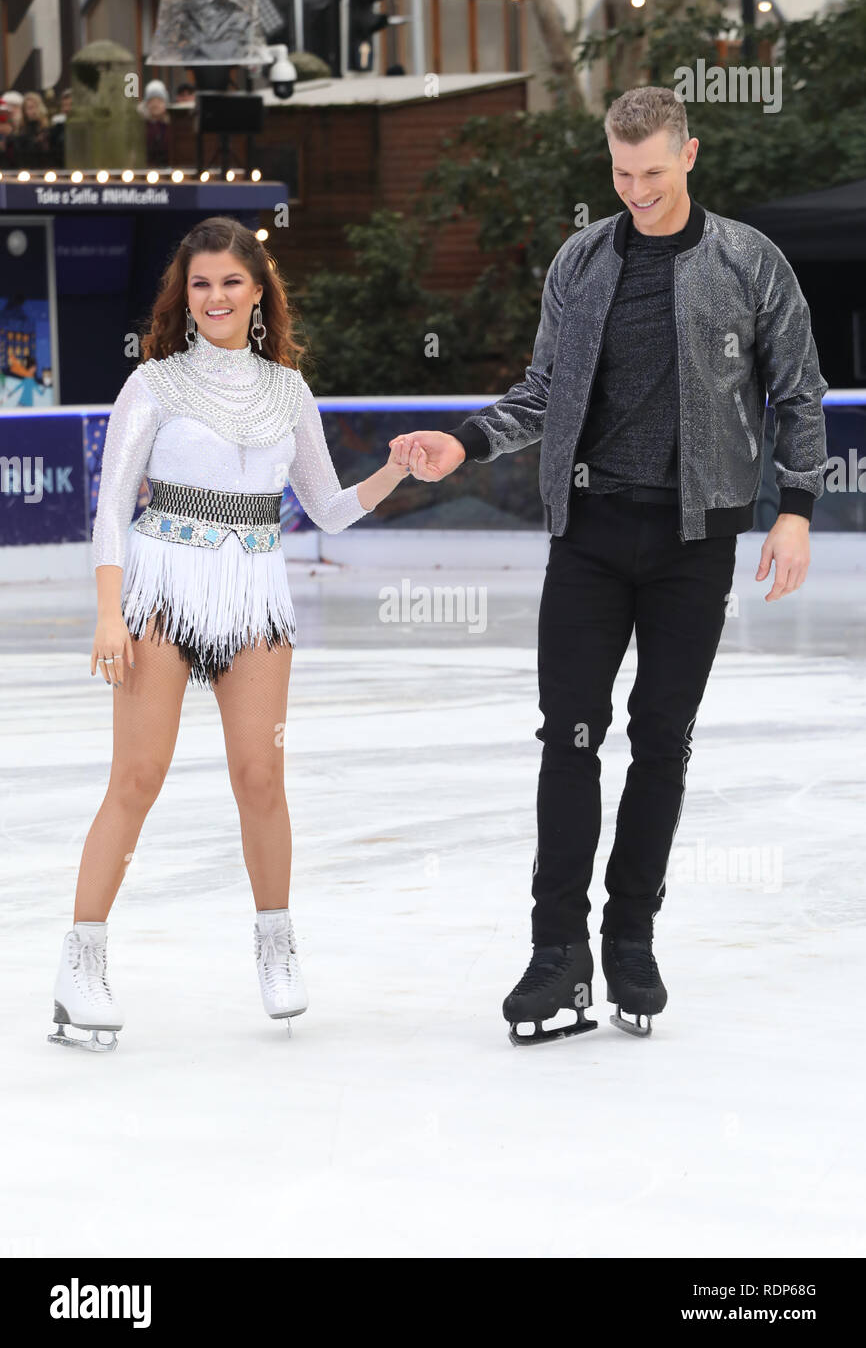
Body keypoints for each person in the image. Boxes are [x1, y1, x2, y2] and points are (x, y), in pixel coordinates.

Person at [390, 85, 828, 1046]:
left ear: (691, 155)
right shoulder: (582, 262)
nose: (635, 191)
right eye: (621, 174)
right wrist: (467, 441)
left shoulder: (750, 261)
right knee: (570, 739)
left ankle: (632, 937)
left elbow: (798, 391)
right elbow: (544, 388)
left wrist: (793, 513)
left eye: (653, 174)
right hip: (587, 533)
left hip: (694, 538)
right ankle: (558, 950)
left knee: (661, 738)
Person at [48, 215, 425, 1053]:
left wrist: (395, 469)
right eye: (200, 284)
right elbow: (112, 508)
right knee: (137, 777)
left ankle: (277, 944)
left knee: (261, 777)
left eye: (230, 282)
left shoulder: (289, 392)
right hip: (160, 590)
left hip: (255, 592)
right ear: (184, 298)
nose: (215, 297)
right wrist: (110, 610)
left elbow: (326, 508)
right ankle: (81, 965)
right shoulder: (153, 384)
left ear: (258, 291)